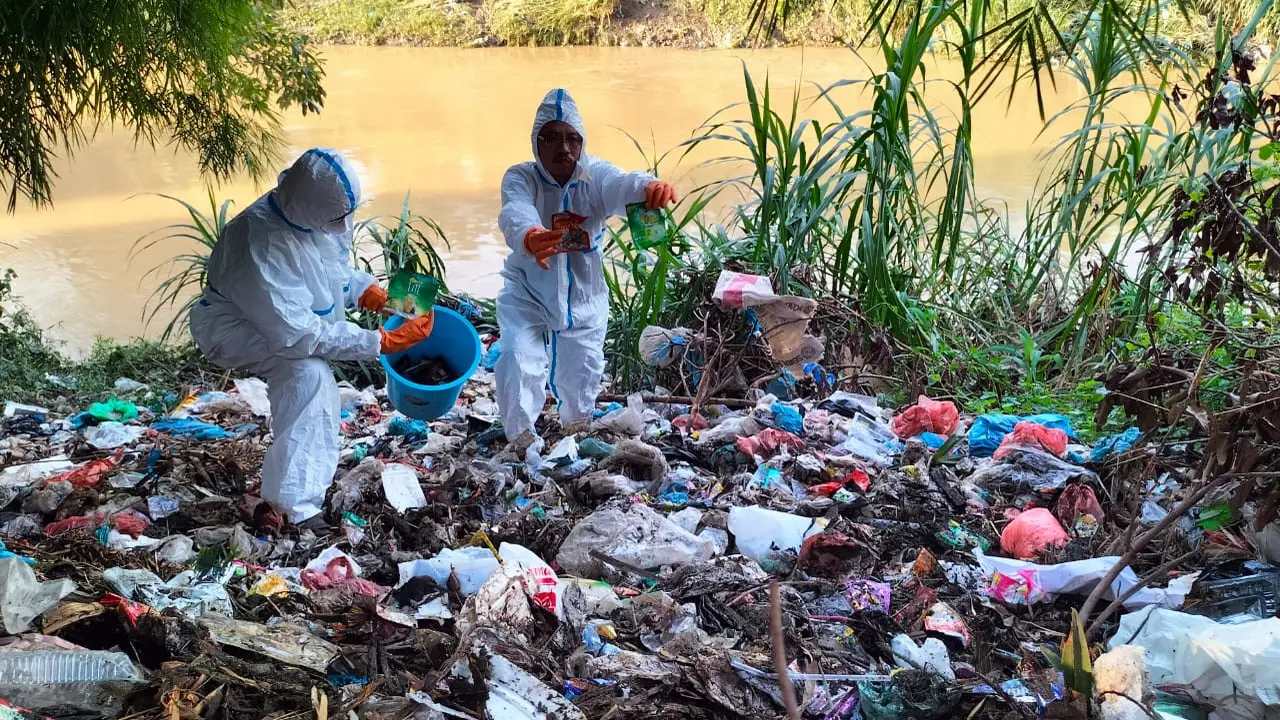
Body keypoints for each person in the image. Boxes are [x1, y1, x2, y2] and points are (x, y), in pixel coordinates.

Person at [189, 148, 435, 527]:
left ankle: (296, 478)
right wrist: (379, 342)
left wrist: (377, 294)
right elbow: (300, 335)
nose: (345, 225)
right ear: (313, 207)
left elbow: (330, 269)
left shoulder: (307, 213)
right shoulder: (261, 244)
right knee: (309, 376)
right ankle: (292, 505)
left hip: (279, 320)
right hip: (234, 328)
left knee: (309, 376)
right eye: (338, 217)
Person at [496, 89, 677, 446]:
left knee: (583, 368)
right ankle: (520, 440)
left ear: (582, 143)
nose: (564, 149)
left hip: (584, 291)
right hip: (527, 290)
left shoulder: (594, 175)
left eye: (573, 140)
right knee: (518, 357)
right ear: (536, 142)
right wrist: (529, 235)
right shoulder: (521, 177)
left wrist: (649, 188)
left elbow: (622, 184)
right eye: (552, 139)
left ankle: (575, 430)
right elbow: (514, 209)